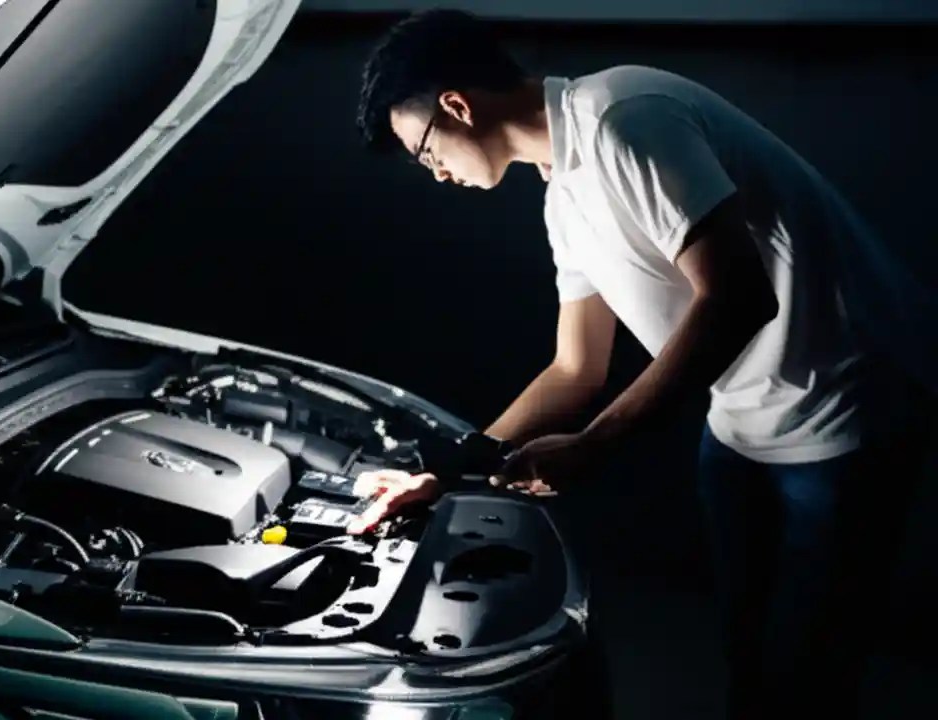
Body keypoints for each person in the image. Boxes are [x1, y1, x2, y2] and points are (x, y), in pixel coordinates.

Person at [347, 8, 936, 720]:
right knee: (747, 653)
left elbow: (740, 296)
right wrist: (445, 474)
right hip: (739, 426)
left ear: (457, 106)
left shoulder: (623, 118)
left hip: (844, 416)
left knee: (808, 673)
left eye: (425, 152)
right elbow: (575, 370)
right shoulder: (562, 194)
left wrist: (597, 445)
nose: (435, 173)